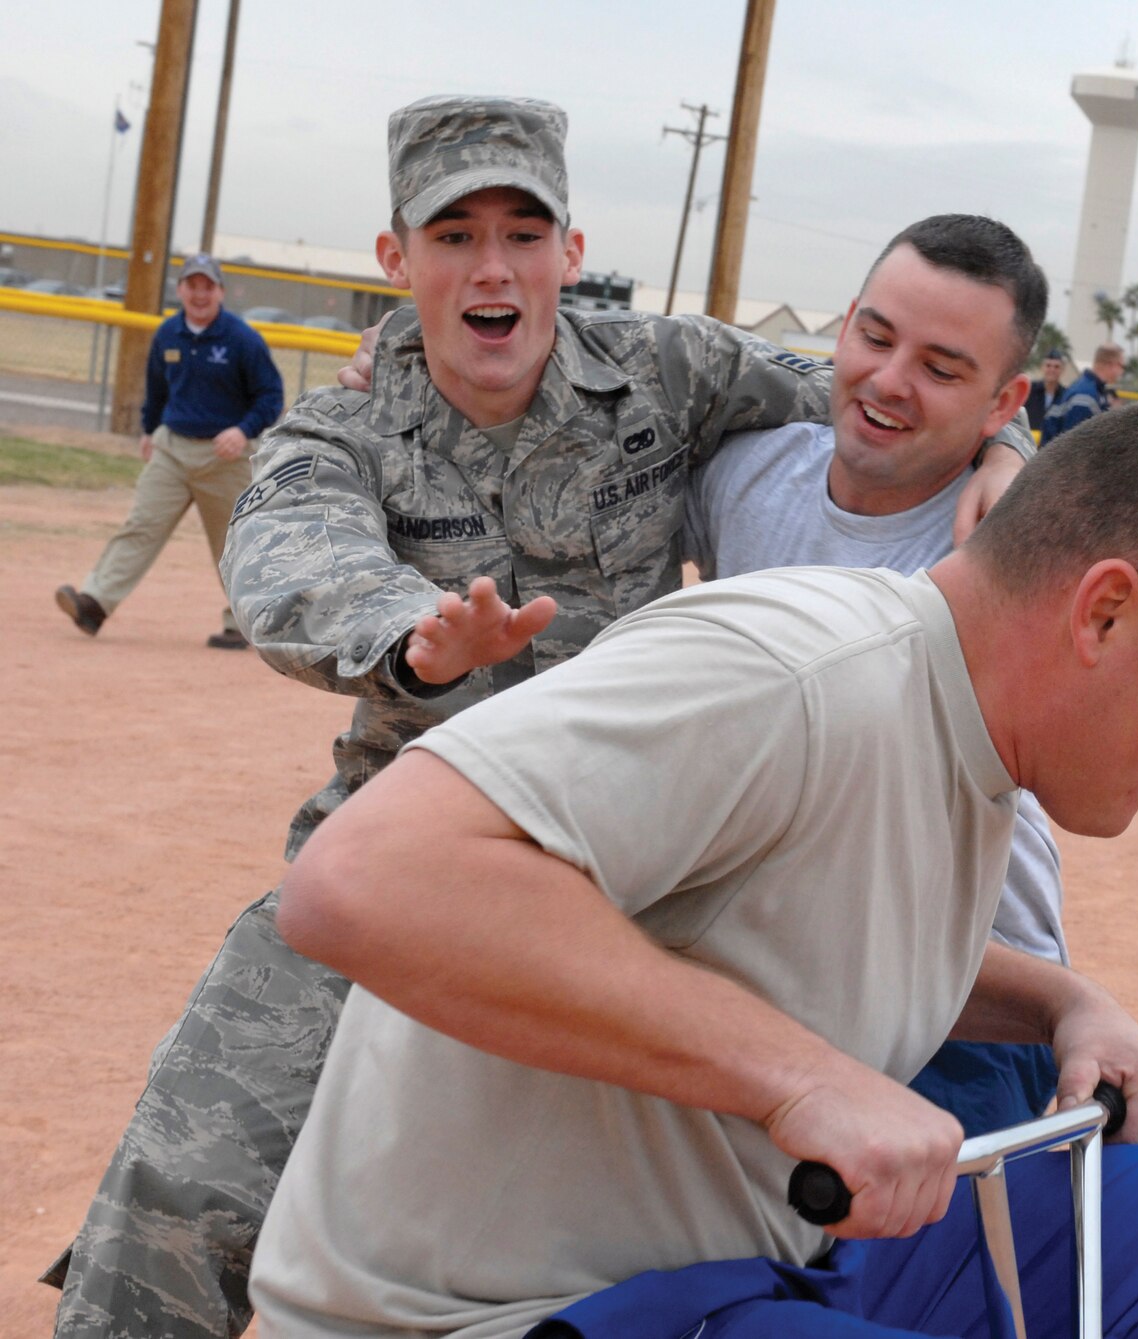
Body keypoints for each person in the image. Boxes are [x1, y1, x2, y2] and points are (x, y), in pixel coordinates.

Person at [42, 96, 1032, 1339]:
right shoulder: (340, 431)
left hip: (633, 877)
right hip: (403, 858)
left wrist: (1018, 453)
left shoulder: (667, 373)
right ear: (397, 260)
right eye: (453, 235)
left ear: (570, 250)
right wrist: (411, 633)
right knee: (183, 1184)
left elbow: (886, 390)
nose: (492, 266)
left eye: (524, 230)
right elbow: (289, 558)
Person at [246, 400, 1138, 1338]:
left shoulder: (972, 735)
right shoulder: (797, 673)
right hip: (507, 1312)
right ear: (1101, 612)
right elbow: (366, 878)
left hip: (741, 1271)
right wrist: (803, 1081)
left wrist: (1060, 1001)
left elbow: (806, 933)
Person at [683, 213, 1069, 1136]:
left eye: (942, 369)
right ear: (846, 322)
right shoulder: (744, 477)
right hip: (774, 964)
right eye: (876, 337)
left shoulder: (1012, 546)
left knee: (904, 1254)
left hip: (968, 992)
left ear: (1004, 400)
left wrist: (1019, 463)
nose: (889, 383)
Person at [53, 253, 284, 649]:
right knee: (141, 525)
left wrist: (242, 430)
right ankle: (94, 604)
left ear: (220, 292)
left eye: (207, 286)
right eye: (191, 285)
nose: (199, 294)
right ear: (179, 290)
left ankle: (246, 623)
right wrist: (149, 430)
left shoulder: (241, 339)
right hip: (172, 449)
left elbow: (271, 396)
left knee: (235, 543)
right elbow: (157, 390)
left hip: (225, 456)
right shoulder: (168, 334)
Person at [1041, 341, 1123, 441]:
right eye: (1121, 366)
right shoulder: (1085, 396)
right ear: (1111, 365)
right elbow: (1074, 445)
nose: (1121, 371)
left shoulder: (1092, 391)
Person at [1023, 350, 1066, 435]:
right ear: (1042, 367)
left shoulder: (1065, 396)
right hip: (1028, 441)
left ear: (1062, 370)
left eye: (1056, 367)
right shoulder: (1029, 390)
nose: (1052, 370)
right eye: (1048, 366)